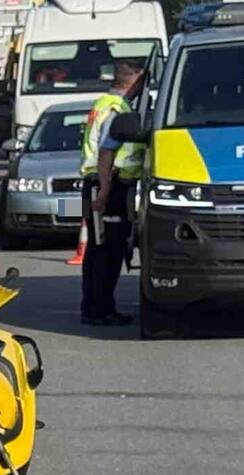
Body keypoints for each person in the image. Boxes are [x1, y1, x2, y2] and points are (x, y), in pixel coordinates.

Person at [79, 58, 146, 327]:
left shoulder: (104, 103)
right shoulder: (117, 109)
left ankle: (95, 308)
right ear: (133, 79)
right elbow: (107, 151)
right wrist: (105, 192)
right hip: (109, 185)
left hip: (101, 184)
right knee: (108, 252)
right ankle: (100, 310)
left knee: (99, 251)